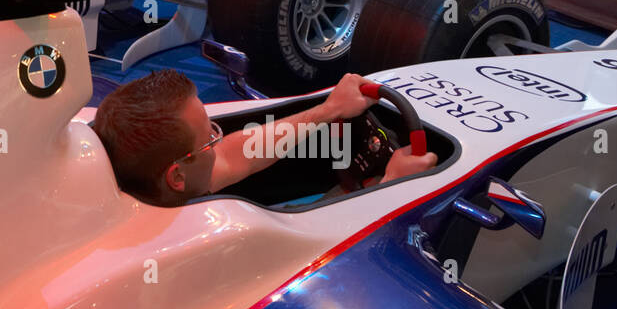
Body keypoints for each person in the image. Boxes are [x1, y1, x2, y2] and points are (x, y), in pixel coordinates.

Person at [90, 69, 437, 207]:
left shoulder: (125, 163)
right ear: (177, 176)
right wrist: (391, 185)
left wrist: (330, 110)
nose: (217, 139)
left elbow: (234, 154)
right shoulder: (203, 236)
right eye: (209, 138)